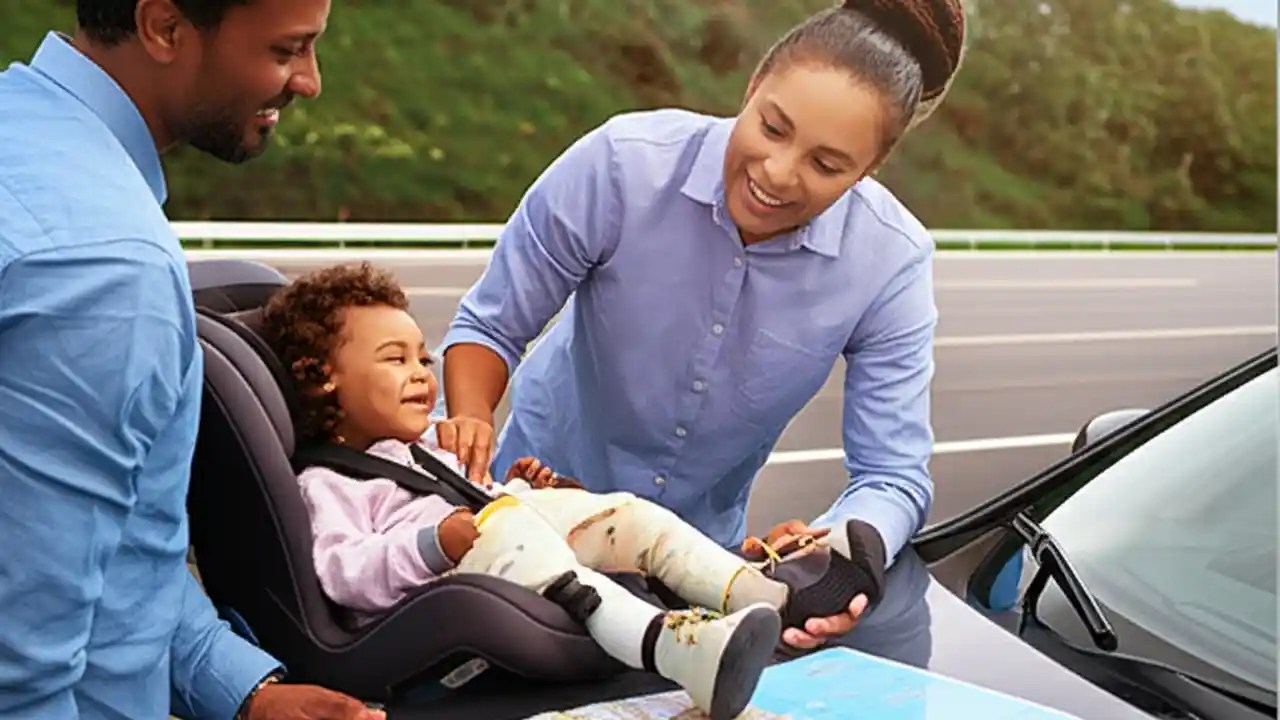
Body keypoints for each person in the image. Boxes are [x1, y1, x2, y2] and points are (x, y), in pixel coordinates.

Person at [438, 0, 966, 651]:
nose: (777, 173)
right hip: (530, 526)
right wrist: (467, 434)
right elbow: (489, 329)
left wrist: (839, 554)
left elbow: (893, 477)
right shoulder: (621, 165)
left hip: (695, 571)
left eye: (827, 166)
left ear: (870, 169)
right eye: (772, 128)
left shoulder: (891, 261)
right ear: (751, 89)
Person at [258, 261, 884, 720]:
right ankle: (685, 648)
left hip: (501, 541)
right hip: (438, 587)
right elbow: (343, 572)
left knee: (628, 515)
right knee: (512, 530)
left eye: (425, 358)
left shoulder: (421, 451)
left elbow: (475, 502)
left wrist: (520, 488)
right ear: (322, 381)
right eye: (396, 360)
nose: (423, 374)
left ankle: (771, 595)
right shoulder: (328, 482)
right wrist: (430, 546)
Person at [0, 2, 380, 719]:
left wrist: (241, 691)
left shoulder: (22, 133)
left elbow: (101, 544)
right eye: (288, 48)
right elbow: (18, 672)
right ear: (165, 28)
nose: (309, 81)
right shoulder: (103, 270)